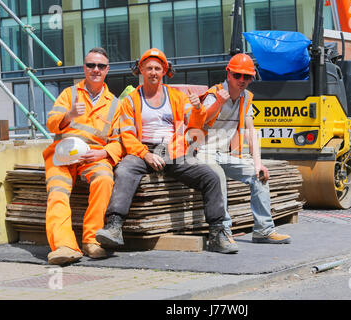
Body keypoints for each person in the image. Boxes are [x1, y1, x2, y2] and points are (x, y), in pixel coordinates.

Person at [95, 48, 238, 254]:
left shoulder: (178, 97)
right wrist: (146, 154)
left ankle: (217, 233)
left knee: (211, 176)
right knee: (125, 170)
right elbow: (127, 134)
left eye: (157, 68)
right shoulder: (130, 100)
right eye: (149, 68)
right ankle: (114, 226)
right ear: (141, 71)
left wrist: (198, 109)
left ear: (164, 72)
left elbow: (195, 125)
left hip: (173, 151)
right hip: (142, 150)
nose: (153, 72)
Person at [195, 53, 292, 244]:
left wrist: (258, 164)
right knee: (218, 177)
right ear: (228, 74)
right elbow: (202, 119)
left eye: (246, 77)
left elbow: (251, 131)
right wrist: (219, 103)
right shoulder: (214, 95)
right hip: (202, 153)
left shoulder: (246, 97)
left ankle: (263, 230)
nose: (241, 80)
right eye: (237, 75)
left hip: (223, 154)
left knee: (259, 176)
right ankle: (224, 232)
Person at [43, 47, 124, 265]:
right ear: (84, 68)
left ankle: (92, 240)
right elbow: (51, 122)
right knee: (57, 192)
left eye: (100, 66)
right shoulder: (69, 94)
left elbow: (119, 140)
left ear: (107, 70)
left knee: (105, 180)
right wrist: (68, 115)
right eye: (91, 65)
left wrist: (104, 152)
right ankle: (64, 246)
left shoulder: (115, 104)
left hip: (93, 156)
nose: (95, 70)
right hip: (63, 155)